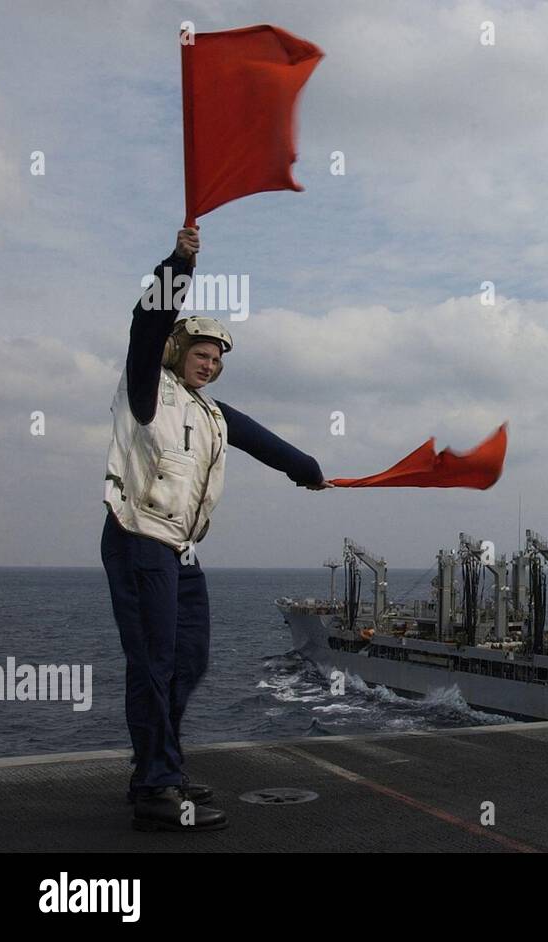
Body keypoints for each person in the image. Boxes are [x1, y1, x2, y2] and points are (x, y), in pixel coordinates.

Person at [101, 227, 332, 832]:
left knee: (188, 660)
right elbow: (145, 323)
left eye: (218, 359)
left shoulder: (209, 413)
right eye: (202, 353)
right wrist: (179, 265)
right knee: (153, 662)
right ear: (178, 351)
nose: (212, 363)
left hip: (179, 549)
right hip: (139, 535)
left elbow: (261, 439)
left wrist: (308, 471)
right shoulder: (147, 388)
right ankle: (156, 788)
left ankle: (159, 766)